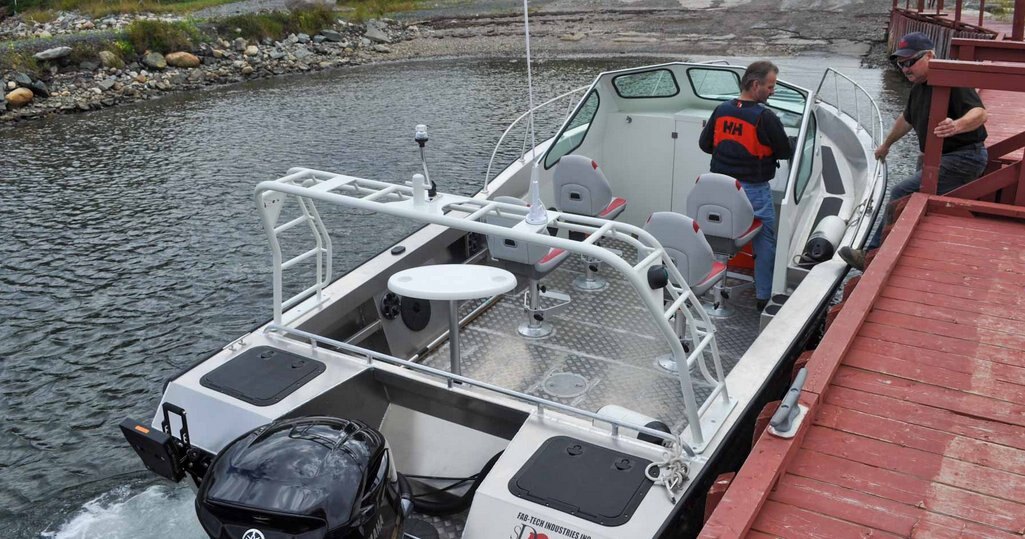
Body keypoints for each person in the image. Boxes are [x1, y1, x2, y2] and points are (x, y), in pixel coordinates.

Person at [839, 32, 988, 271]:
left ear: (930, 56)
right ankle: (896, 247)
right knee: (911, 191)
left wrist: (956, 125)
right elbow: (906, 119)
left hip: (965, 157)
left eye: (910, 62)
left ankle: (873, 257)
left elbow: (980, 113)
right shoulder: (920, 86)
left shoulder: (953, 81)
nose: (905, 68)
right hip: (937, 158)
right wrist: (887, 144)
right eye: (901, 63)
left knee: (901, 190)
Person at [699, 60, 793, 311]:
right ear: (755, 85)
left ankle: (705, 282)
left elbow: (705, 145)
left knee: (714, 235)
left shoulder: (721, 110)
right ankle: (764, 296)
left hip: (719, 190)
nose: (773, 91)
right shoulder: (766, 117)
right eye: (770, 86)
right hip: (753, 193)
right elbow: (784, 151)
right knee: (765, 240)